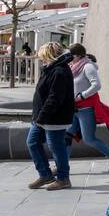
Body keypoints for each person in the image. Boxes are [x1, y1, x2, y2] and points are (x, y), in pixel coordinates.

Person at [65, 43, 109, 172]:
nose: (68, 58)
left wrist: (81, 96)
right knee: (67, 135)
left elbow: (96, 85)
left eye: (70, 55)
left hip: (86, 108)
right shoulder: (71, 66)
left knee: (88, 139)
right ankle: (62, 165)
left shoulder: (88, 66)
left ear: (78, 55)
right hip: (74, 108)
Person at [27, 42, 76, 190]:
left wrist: (41, 117)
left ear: (49, 55)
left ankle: (63, 178)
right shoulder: (52, 68)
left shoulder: (59, 71)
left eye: (42, 57)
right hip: (44, 117)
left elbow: (54, 97)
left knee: (57, 147)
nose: (41, 60)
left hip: (53, 118)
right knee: (32, 142)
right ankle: (45, 174)